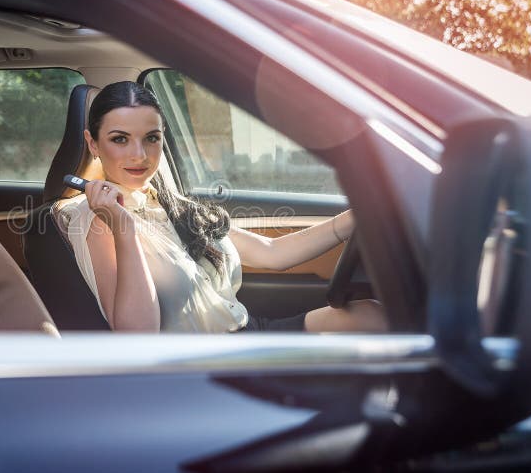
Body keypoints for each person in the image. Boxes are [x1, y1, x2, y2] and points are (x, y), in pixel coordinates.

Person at [58, 81, 388, 333]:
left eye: (151, 138)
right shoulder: (98, 221)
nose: (140, 155)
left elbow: (272, 252)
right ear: (92, 144)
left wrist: (358, 217)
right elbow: (138, 335)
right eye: (120, 139)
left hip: (247, 334)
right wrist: (124, 229)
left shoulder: (168, 202)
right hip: (209, 369)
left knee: (372, 314)